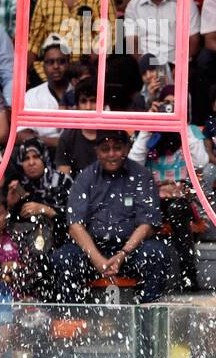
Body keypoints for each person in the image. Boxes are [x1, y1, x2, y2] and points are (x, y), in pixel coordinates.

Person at [49, 130, 175, 303]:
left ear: (125, 149)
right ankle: (74, 319)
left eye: (117, 148)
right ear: (97, 150)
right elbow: (75, 225)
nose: (111, 154)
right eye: (105, 149)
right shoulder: (85, 177)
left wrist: (123, 253)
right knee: (62, 257)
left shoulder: (141, 175)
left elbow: (147, 224)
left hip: (131, 249)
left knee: (157, 253)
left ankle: (149, 320)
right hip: (93, 250)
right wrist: (98, 259)